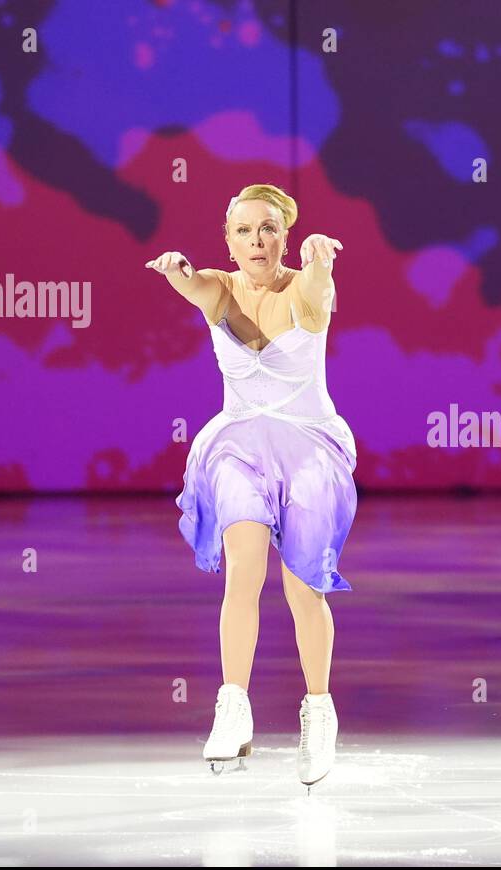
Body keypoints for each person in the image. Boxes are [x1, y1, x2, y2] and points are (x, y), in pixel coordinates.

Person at [144, 184, 356, 788]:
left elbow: (316, 299)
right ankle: (233, 705)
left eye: (267, 229)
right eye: (243, 231)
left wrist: (320, 262)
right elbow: (192, 283)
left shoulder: (306, 286)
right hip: (238, 446)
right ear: (228, 239)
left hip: (309, 449)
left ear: (285, 234)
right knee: (243, 572)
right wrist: (176, 271)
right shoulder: (219, 288)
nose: (256, 241)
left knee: (302, 587)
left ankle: (319, 712)